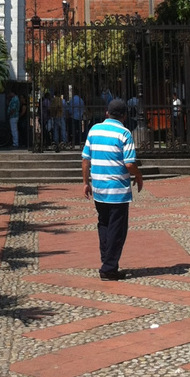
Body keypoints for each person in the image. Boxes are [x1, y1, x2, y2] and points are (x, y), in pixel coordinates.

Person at [81, 98, 143, 280]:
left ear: (107, 113)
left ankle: (106, 260)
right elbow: (129, 163)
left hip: (99, 188)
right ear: (124, 116)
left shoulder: (94, 130)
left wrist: (85, 182)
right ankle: (109, 268)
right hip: (117, 190)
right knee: (117, 229)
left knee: (104, 224)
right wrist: (138, 175)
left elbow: (85, 160)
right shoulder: (124, 134)